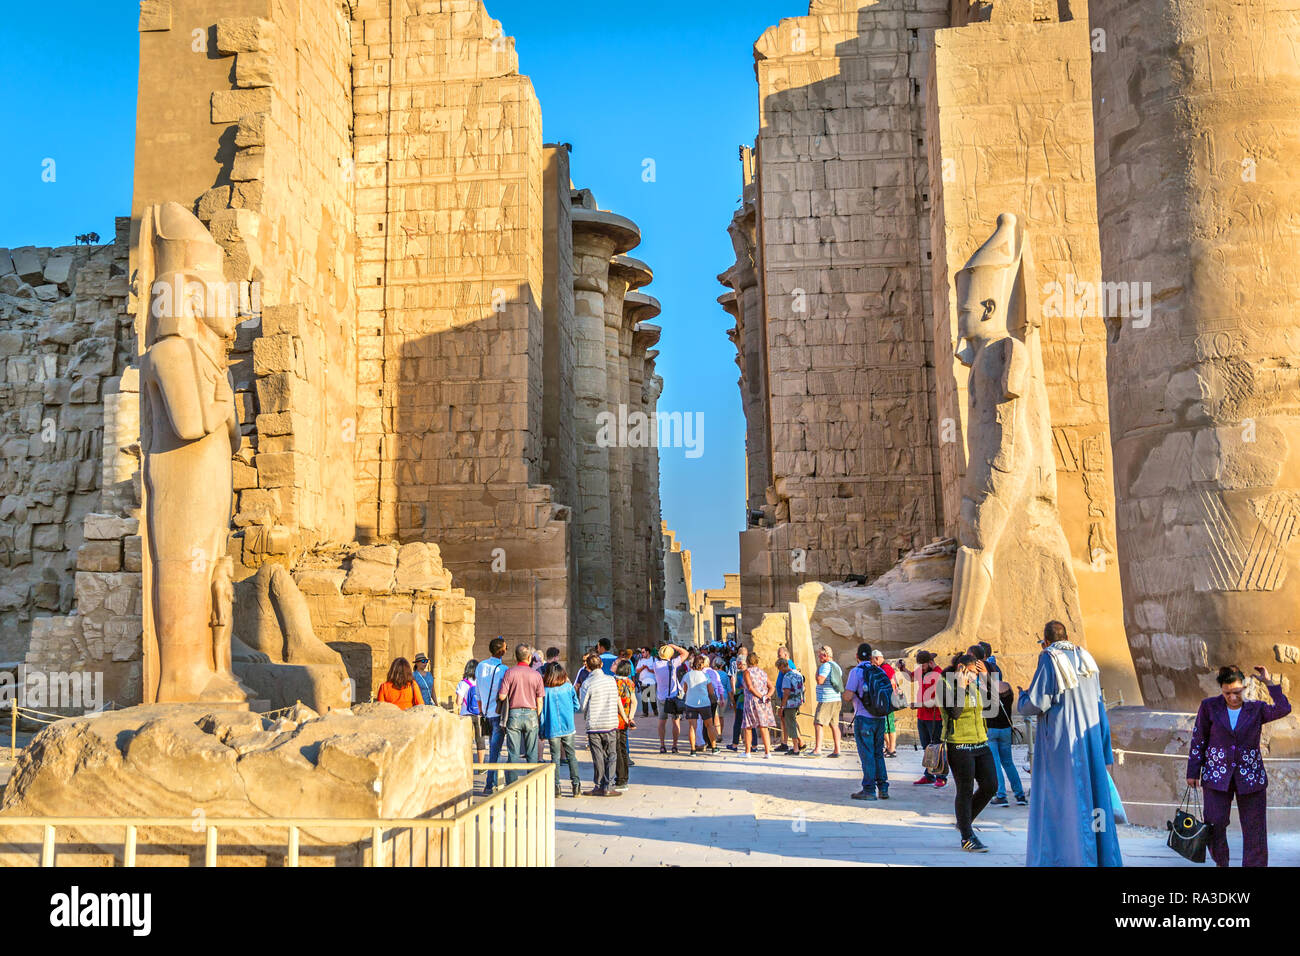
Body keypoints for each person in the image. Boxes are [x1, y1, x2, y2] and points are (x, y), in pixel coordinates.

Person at [1018, 620, 1122, 867]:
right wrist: (1104, 750)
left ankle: (1062, 858)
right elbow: (1099, 705)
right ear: (1066, 636)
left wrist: (1022, 698)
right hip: (1089, 741)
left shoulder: (1049, 658)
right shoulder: (1087, 658)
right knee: (1092, 800)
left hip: (1061, 744)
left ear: (1045, 642)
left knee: (1060, 800)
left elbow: (1037, 702)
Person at [1188, 665, 1292, 867]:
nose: (1233, 697)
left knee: (1255, 829)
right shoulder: (1209, 706)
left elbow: (1283, 708)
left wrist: (1268, 682)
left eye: (1237, 692)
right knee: (1215, 823)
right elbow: (1199, 738)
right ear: (1221, 690)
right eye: (1227, 693)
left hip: (1251, 777)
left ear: (1244, 687)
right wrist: (1193, 771)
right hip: (1216, 776)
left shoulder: (1257, 708)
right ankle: (1221, 863)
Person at [943, 654, 997, 851]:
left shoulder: (976, 684)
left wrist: (986, 679)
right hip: (959, 744)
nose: (974, 675)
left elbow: (992, 706)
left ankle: (964, 821)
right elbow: (955, 713)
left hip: (980, 741)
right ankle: (967, 836)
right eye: (973, 672)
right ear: (961, 668)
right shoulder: (944, 684)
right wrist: (960, 685)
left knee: (991, 785)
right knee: (965, 789)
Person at [844, 644, 888, 800]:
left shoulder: (856, 672)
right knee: (878, 753)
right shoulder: (880, 670)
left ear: (857, 656)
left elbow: (848, 696)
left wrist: (846, 694)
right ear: (871, 656)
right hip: (880, 718)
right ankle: (883, 788)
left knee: (867, 754)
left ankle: (869, 790)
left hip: (864, 718)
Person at [497, 644, 545, 785]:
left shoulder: (510, 673)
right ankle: (531, 783)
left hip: (514, 713)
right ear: (529, 658)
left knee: (513, 752)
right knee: (532, 752)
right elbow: (540, 700)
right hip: (531, 713)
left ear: (515, 657)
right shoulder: (536, 675)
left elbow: (501, 696)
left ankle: (512, 785)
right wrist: (537, 715)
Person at [578, 653, 622, 796]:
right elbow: (615, 699)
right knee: (611, 755)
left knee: (598, 756)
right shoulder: (611, 680)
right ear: (601, 665)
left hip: (594, 724)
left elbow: (583, 705)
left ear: (588, 667)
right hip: (610, 723)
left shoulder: (587, 683)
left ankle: (599, 784)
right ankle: (609, 786)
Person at [903, 651, 947, 788]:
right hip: (922, 716)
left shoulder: (939, 674)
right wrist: (902, 669)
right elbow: (911, 677)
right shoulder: (922, 671)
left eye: (922, 665)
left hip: (935, 717)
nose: (920, 668)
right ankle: (929, 775)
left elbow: (938, 700)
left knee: (937, 747)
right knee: (926, 747)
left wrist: (919, 704)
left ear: (930, 663)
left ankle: (941, 776)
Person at [540, 663, 583, 798]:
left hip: (552, 728)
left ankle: (557, 787)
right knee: (571, 756)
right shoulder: (568, 687)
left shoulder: (545, 691)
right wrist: (568, 712)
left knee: (555, 758)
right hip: (568, 726)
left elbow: (542, 714)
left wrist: (542, 730)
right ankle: (576, 786)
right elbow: (576, 705)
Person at [475, 638, 510, 795]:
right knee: (495, 750)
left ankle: (492, 782)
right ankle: (490, 784)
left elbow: (477, 692)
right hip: (497, 713)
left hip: (485, 713)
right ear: (502, 651)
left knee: (493, 748)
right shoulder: (503, 669)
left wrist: (481, 711)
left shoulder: (480, 666)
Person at [987, 680, 1026, 807]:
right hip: (1005, 730)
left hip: (990, 730)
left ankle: (1001, 795)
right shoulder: (1007, 687)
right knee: (1008, 763)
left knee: (995, 763)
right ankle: (1020, 795)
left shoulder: (985, 689)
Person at [808, 645, 843, 758]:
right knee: (834, 725)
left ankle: (817, 750)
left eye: (820, 655)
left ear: (825, 655)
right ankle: (837, 750)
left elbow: (820, 680)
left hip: (826, 699)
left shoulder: (825, 666)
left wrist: (817, 672)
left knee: (818, 723)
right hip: (836, 698)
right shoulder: (836, 666)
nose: (818, 657)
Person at [655, 643, 690, 754]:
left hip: (661, 697)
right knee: (676, 722)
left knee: (661, 722)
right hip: (673, 697)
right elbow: (686, 653)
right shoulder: (673, 663)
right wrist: (675, 647)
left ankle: (662, 745)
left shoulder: (656, 664)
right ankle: (674, 746)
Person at [680, 654, 718, 754]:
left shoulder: (687, 675)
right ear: (701, 665)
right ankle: (714, 748)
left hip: (690, 703)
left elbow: (685, 689)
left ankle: (693, 750)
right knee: (709, 725)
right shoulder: (705, 676)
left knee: (692, 727)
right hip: (704, 703)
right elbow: (711, 691)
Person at [741, 653, 777, 757]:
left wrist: (760, 696)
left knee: (748, 726)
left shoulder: (747, 672)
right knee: (763, 726)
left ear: (747, 661)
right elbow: (772, 687)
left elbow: (750, 687)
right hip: (764, 702)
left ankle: (747, 752)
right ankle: (767, 752)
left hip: (752, 701)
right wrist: (767, 696)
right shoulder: (763, 672)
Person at [614, 659, 638, 790]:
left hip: (616, 719)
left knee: (617, 750)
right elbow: (634, 701)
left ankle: (620, 780)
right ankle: (624, 778)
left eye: (615, 664)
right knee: (622, 749)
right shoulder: (629, 682)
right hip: (625, 721)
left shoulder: (615, 682)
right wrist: (630, 718)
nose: (613, 664)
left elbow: (618, 703)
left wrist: (625, 718)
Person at [456, 659, 485, 764]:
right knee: (480, 740)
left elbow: (458, 702)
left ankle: (467, 765)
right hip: (479, 714)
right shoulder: (481, 682)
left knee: (466, 740)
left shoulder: (462, 683)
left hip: (465, 715)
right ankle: (481, 767)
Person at [871, 649, 899, 757]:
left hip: (888, 701)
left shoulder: (886, 669)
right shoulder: (883, 668)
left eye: (872, 660)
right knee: (884, 725)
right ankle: (888, 747)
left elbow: (889, 685)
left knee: (889, 725)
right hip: (885, 701)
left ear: (877, 658)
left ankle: (892, 749)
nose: (871, 663)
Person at [776, 657, 805, 756]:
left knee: (791, 725)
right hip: (798, 701)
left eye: (779, 669)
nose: (780, 671)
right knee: (793, 722)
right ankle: (799, 744)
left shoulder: (787, 677)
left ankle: (795, 748)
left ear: (782, 666)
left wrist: (782, 707)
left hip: (789, 703)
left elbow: (786, 693)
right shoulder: (798, 674)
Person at [636, 649, 658, 717]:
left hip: (652, 681)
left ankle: (655, 711)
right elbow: (637, 671)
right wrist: (642, 667)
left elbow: (658, 670)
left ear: (648, 652)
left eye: (643, 652)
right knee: (644, 698)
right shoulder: (641, 660)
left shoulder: (654, 659)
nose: (642, 654)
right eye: (641, 652)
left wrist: (649, 669)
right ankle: (645, 713)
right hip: (643, 681)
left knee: (652, 698)